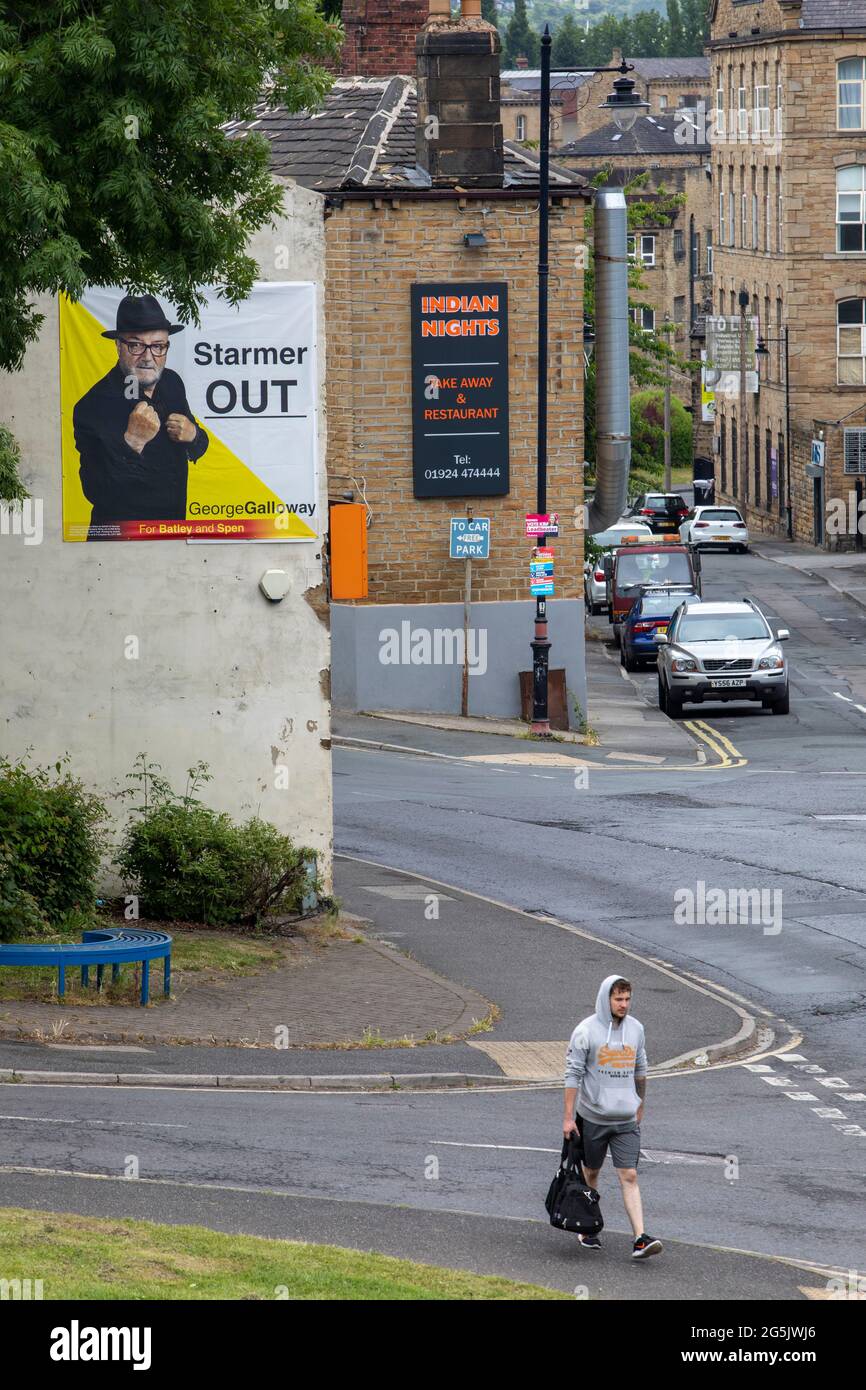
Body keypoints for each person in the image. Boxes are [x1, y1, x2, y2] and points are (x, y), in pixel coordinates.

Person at [73, 294, 209, 538]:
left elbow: (198, 449)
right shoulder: (92, 406)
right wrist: (132, 444)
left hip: (173, 535)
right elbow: (95, 492)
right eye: (136, 345)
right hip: (120, 545)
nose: (148, 357)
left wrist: (194, 435)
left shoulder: (172, 383)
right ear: (118, 346)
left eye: (157, 346)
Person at [563, 974, 663, 1260]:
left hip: (625, 1120)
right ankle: (588, 1226)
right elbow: (573, 1075)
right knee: (591, 1172)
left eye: (628, 999)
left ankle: (640, 1239)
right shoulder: (586, 1031)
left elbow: (640, 1066)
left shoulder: (636, 1029)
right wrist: (568, 1118)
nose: (624, 1004)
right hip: (593, 1118)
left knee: (629, 1174)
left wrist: (640, 1103)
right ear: (606, 999)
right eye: (618, 999)